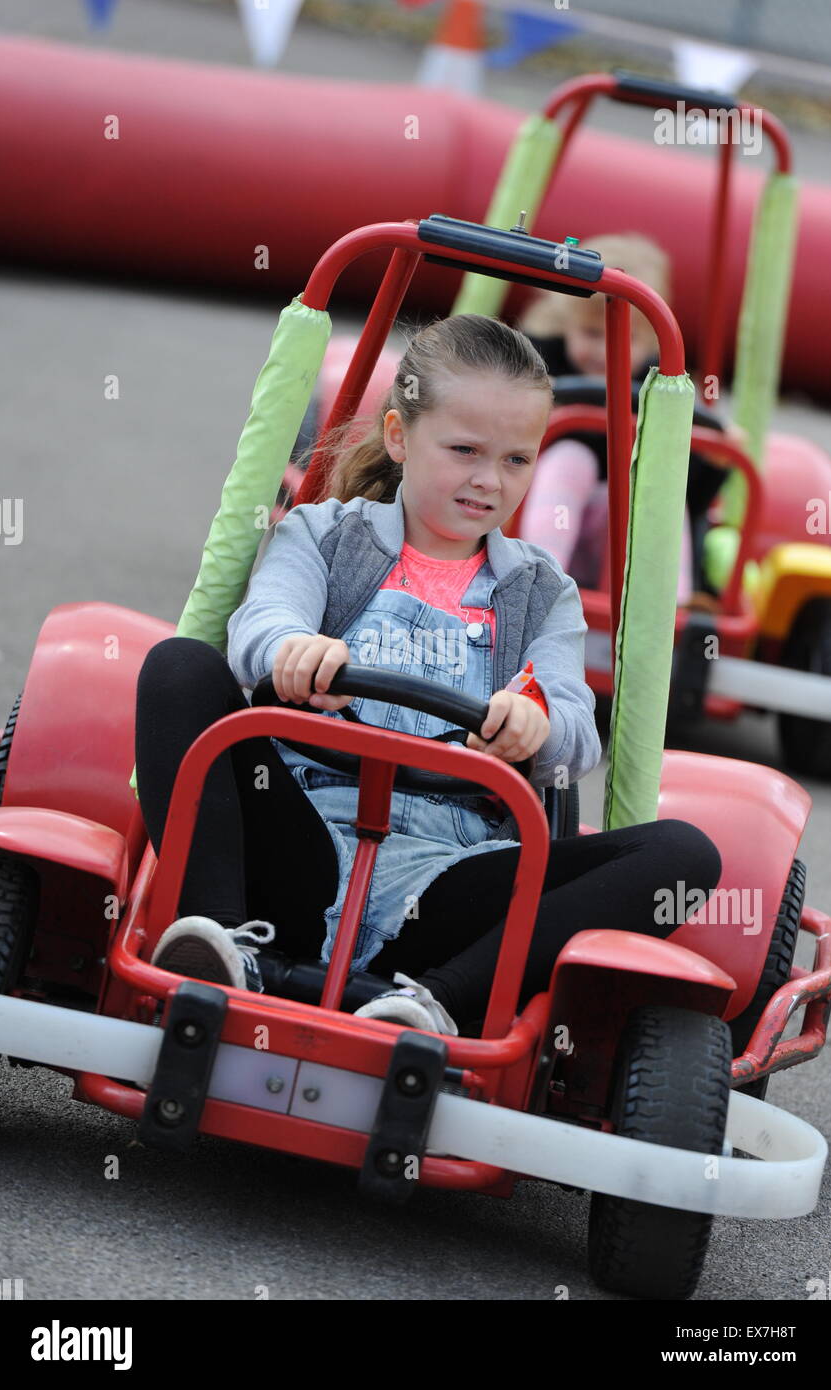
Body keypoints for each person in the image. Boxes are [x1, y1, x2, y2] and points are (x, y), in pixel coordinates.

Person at [138, 314, 721, 1035]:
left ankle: (438, 1001)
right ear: (397, 437)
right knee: (178, 666)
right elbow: (260, 627)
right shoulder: (325, 537)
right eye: (464, 450)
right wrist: (293, 648)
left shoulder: (540, 593)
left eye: (515, 460)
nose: (487, 480)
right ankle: (221, 940)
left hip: (446, 877)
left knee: (682, 853)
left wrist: (534, 724)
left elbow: (573, 725)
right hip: (296, 842)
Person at [517, 233, 728, 599]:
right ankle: (537, 584)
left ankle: (663, 612)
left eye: (625, 339)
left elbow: (694, 492)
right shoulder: (535, 359)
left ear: (648, 345)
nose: (604, 351)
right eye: (590, 333)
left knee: (651, 485)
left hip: (615, 537)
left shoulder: (663, 385)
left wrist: (714, 457)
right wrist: (531, 396)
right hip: (537, 508)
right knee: (571, 459)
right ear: (565, 323)